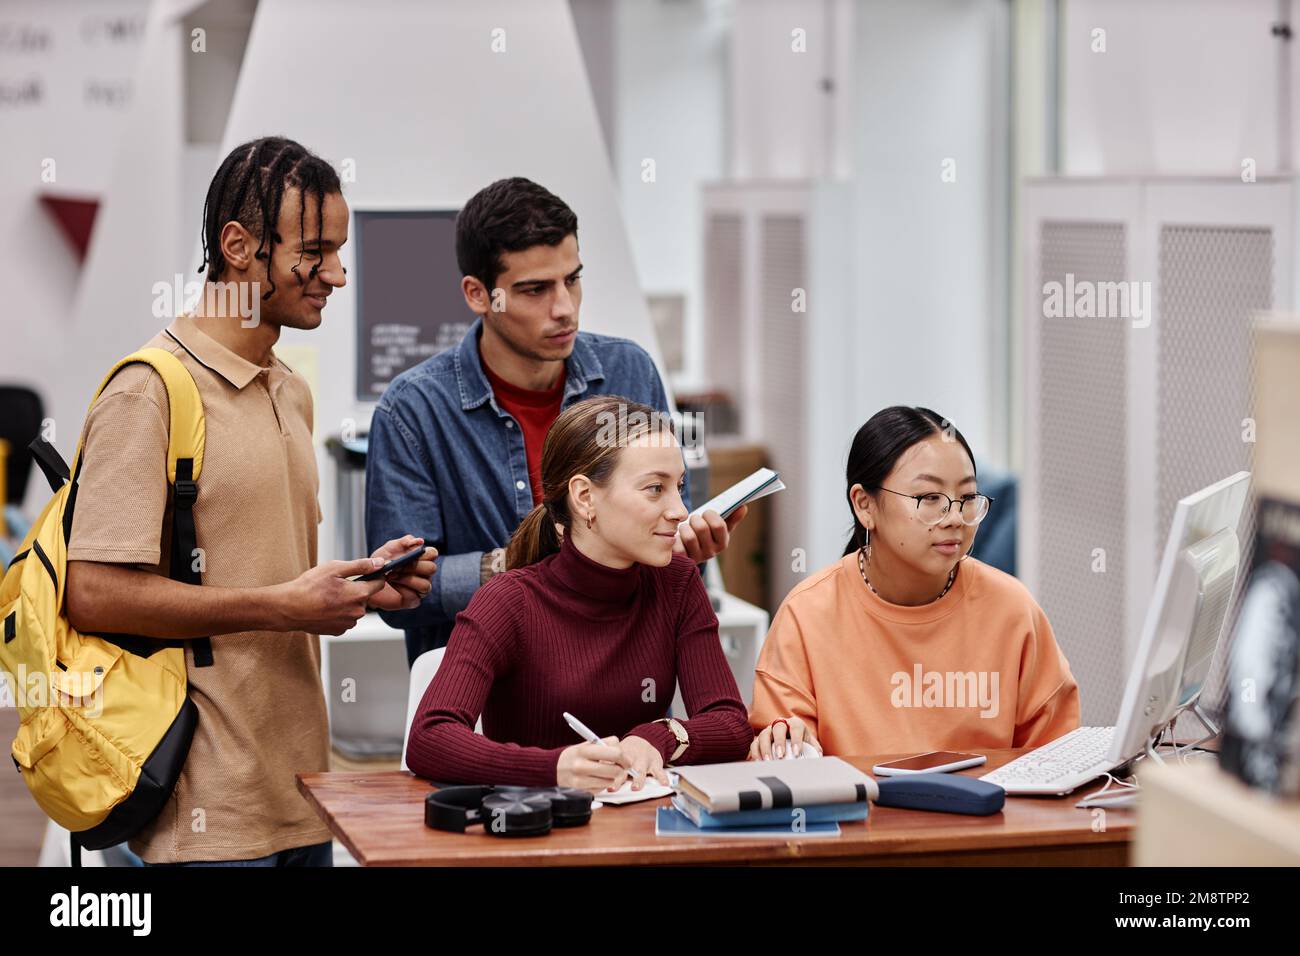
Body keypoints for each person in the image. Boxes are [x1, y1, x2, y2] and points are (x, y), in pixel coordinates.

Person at [64, 136, 437, 865]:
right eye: (314, 250)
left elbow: (257, 566)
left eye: (339, 250)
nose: (335, 272)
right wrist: (282, 605)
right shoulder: (148, 391)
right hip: (199, 815)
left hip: (300, 797)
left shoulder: (289, 390)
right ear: (239, 246)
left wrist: (357, 586)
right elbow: (93, 591)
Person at [365, 177, 745, 665]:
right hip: (485, 697)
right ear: (479, 295)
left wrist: (687, 542)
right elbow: (400, 592)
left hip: (625, 679)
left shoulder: (629, 372)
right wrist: (523, 561)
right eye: (535, 290)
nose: (564, 308)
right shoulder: (412, 411)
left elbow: (668, 523)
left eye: (573, 279)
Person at [405, 396, 753, 791]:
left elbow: (730, 723)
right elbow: (430, 738)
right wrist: (554, 769)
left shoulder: (678, 582)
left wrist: (658, 737)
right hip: (536, 834)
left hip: (643, 831)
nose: (678, 509)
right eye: (656, 489)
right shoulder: (507, 602)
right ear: (585, 496)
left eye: (680, 486)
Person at [749, 406, 1080, 760]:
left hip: (988, 815)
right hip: (857, 815)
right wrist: (787, 746)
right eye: (930, 499)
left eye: (967, 499)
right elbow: (783, 757)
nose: (954, 518)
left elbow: (1057, 755)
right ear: (865, 506)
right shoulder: (808, 616)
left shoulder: (1011, 608)